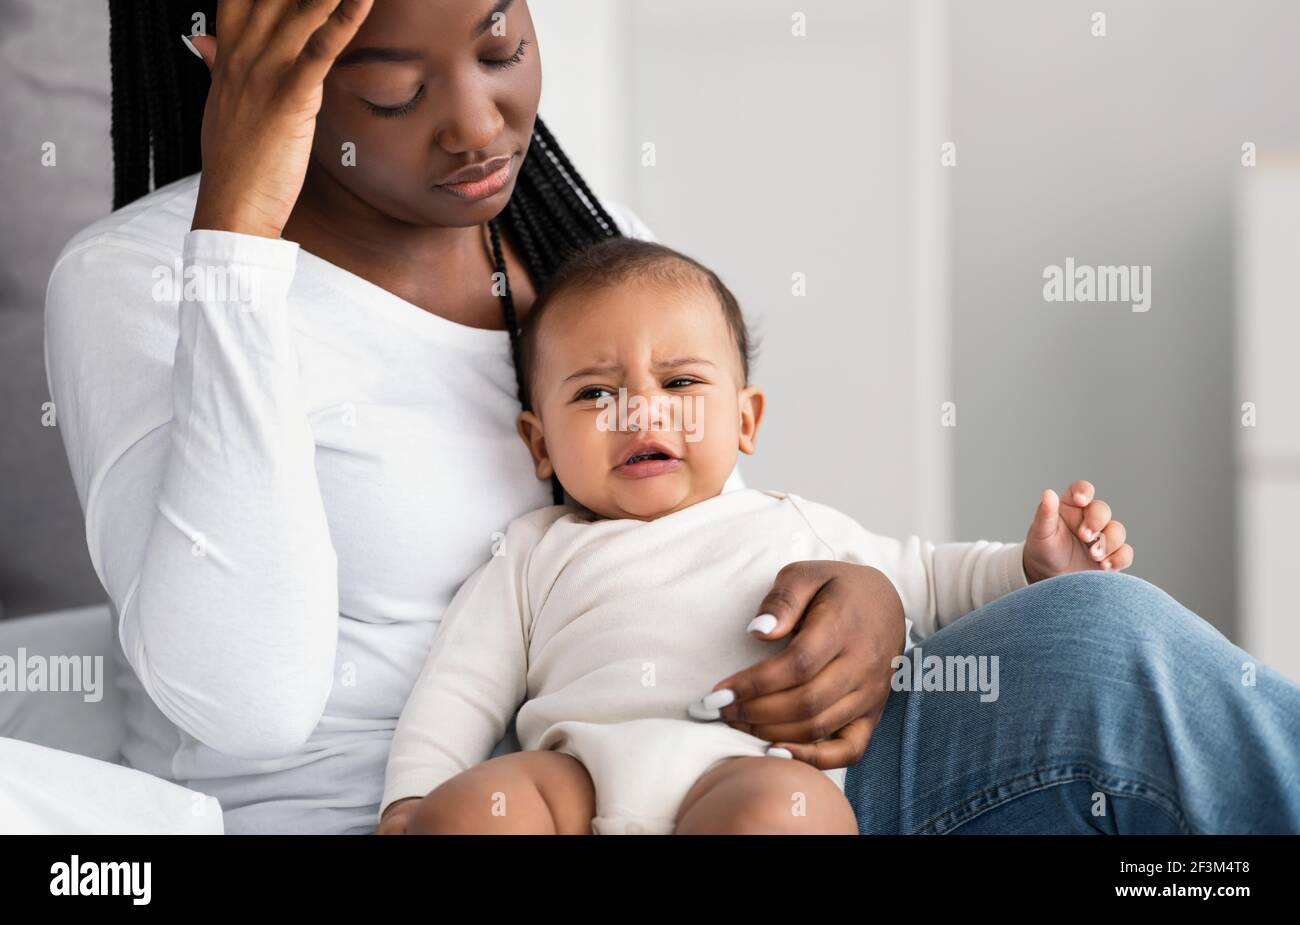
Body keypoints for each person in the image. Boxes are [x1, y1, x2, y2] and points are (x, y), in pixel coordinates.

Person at [44, 0, 1300, 835]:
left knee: (1101, 630)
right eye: (388, 93)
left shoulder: (563, 234)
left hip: (731, 782)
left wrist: (863, 605)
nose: (481, 126)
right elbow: (243, 700)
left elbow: (704, 520)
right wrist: (239, 235)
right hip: (456, 810)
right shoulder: (146, 282)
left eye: (499, 43)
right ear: (239, 59)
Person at [376, 237, 1141, 835]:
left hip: (742, 768)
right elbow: (461, 683)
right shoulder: (535, 550)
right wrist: (411, 796)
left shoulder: (789, 525)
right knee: (468, 813)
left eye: (680, 383)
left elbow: (933, 581)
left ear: (745, 420)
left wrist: (1032, 567)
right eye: (596, 392)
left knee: (786, 816)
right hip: (572, 776)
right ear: (539, 444)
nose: (643, 413)